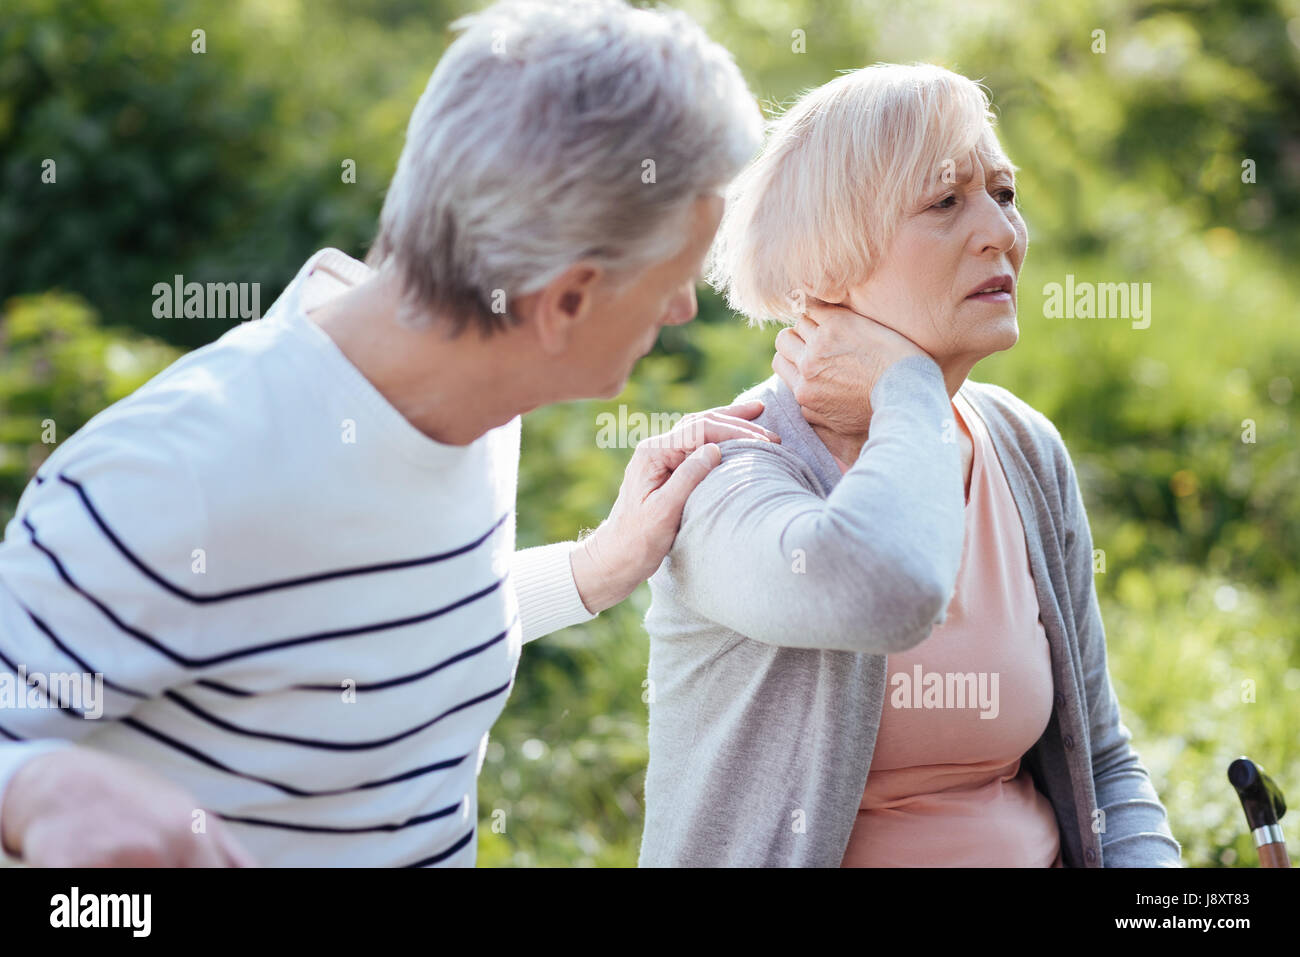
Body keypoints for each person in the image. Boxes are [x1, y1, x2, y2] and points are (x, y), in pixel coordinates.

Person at [0, 0, 769, 867]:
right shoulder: (172, 475)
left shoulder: (472, 401)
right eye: (674, 278)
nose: (681, 308)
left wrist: (590, 570)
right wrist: (31, 789)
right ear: (564, 301)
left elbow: (354, 639)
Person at [638, 63, 1182, 867]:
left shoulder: (1025, 448)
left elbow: (1099, 759)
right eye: (943, 201)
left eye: (1004, 192)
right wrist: (907, 382)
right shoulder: (725, 467)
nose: (1000, 231)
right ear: (824, 270)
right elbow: (886, 586)